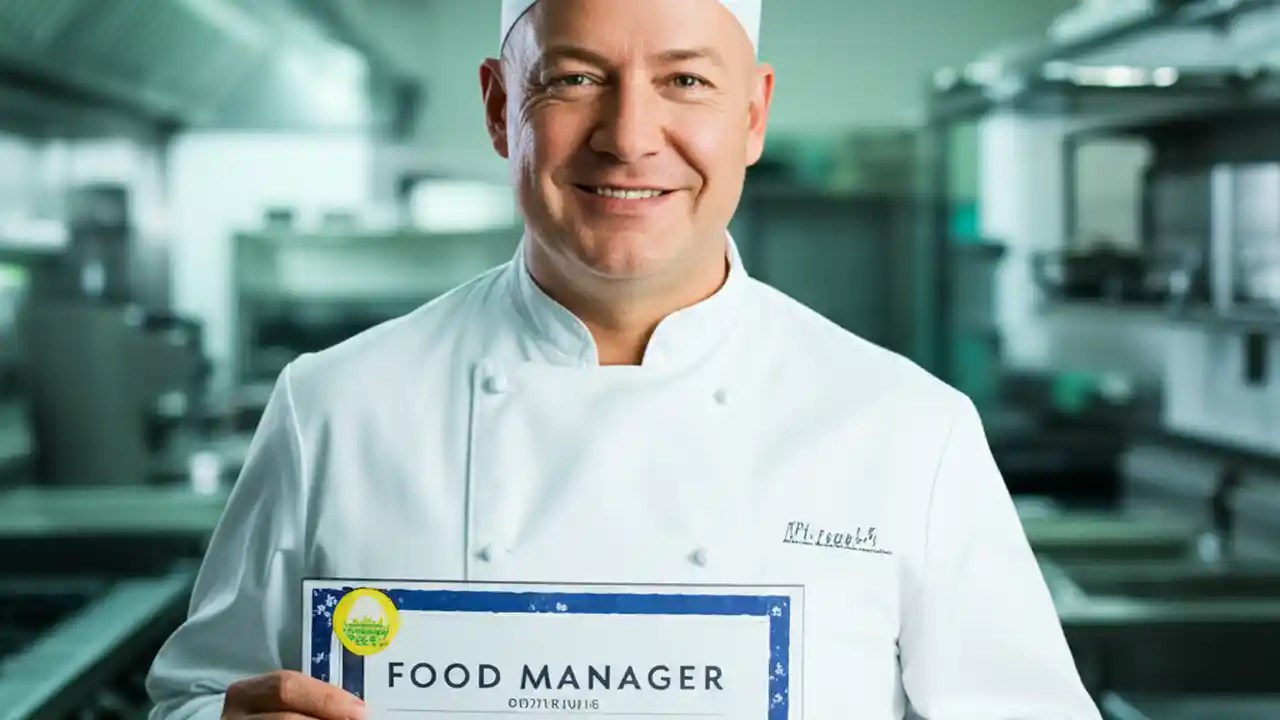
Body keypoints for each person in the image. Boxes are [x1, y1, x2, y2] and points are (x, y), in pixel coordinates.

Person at [147, 0, 1102, 717]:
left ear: (755, 114)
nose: (630, 137)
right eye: (573, 78)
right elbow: (195, 694)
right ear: (497, 107)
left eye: (686, 81)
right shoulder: (334, 407)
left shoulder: (905, 429)